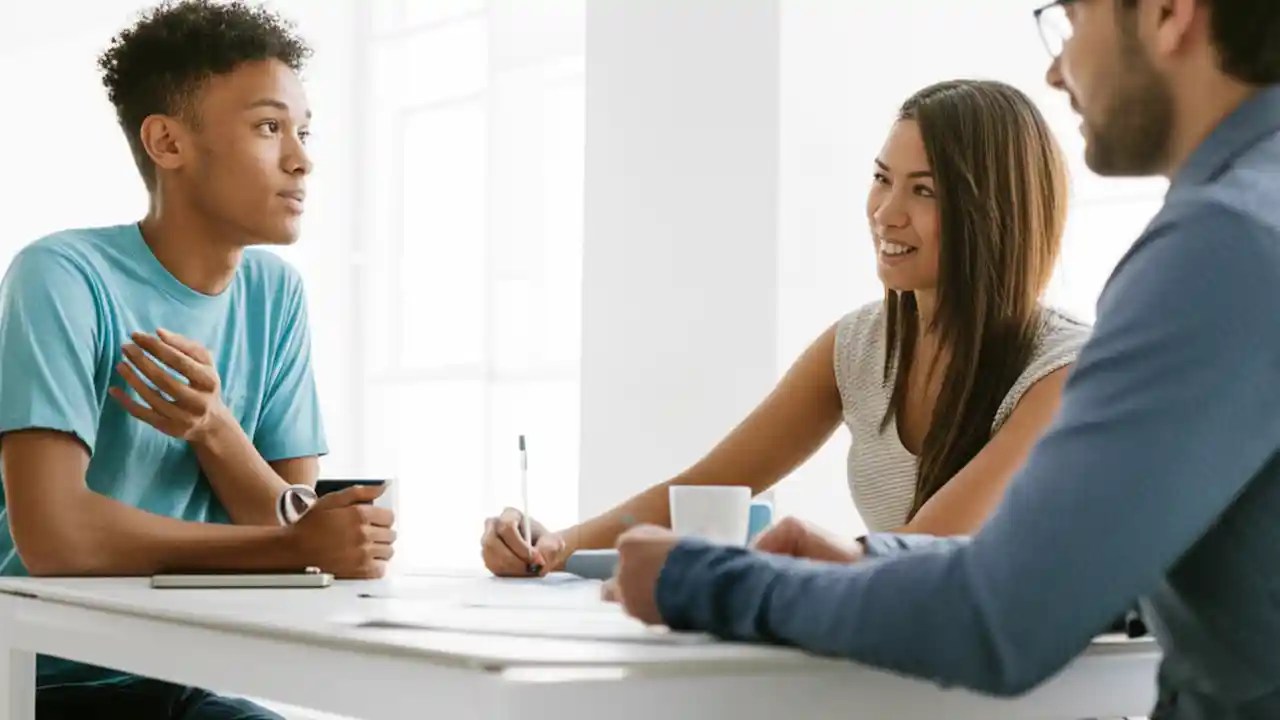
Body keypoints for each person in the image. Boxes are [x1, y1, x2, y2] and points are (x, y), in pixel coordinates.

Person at [608, 1, 1280, 718]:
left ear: (1168, 13)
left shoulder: (1223, 244)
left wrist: (702, 580)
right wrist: (877, 562)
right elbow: (1079, 566)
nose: (1056, 71)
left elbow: (1003, 616)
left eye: (1072, 20)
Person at [482, 78, 1089, 576]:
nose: (886, 212)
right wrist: (553, 548)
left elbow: (918, 559)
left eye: (924, 190)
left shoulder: (1062, 372)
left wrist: (768, 569)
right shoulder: (858, 347)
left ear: (994, 213)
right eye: (882, 178)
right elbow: (711, 486)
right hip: (910, 666)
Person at [0, 2, 395, 717]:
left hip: (184, 676)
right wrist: (290, 549)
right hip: (46, 681)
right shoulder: (60, 275)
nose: (302, 159)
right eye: (269, 128)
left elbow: (284, 514)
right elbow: (55, 536)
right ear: (167, 143)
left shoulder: (274, 295)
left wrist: (215, 429)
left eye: (304, 131)